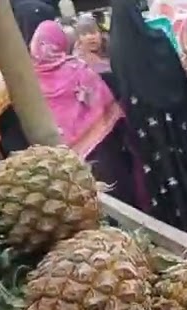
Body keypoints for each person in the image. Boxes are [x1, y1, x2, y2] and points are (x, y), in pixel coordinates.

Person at [108, 0, 187, 236]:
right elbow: (176, 75)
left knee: (162, 170)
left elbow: (122, 88)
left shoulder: (116, 49)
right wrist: (185, 106)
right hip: (174, 119)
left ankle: (178, 224)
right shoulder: (157, 40)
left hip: (147, 125)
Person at [28, 20, 137, 206]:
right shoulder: (78, 69)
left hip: (66, 161)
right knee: (118, 195)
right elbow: (105, 103)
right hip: (102, 149)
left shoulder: (31, 83)